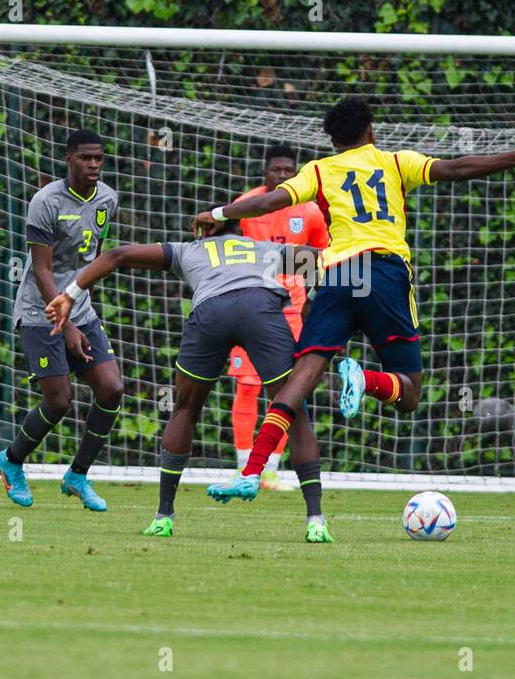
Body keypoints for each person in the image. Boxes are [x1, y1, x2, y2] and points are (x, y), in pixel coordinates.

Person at [192, 95, 515, 503]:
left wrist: (220, 213)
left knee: (301, 378)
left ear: (332, 141)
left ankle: (251, 472)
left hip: (339, 273)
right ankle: (365, 379)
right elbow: (457, 168)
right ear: (371, 130)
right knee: (410, 393)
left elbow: (271, 199)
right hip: (383, 274)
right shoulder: (397, 162)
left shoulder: (318, 171)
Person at [45, 225, 332, 542]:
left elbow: (117, 255)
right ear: (239, 231)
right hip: (260, 311)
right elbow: (328, 260)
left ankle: (163, 516)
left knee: (184, 409)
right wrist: (312, 303)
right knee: (293, 410)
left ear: (201, 233)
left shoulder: (186, 250)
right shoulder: (266, 249)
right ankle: (315, 521)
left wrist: (69, 295)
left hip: (210, 314)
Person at [0, 129, 124, 512]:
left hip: (80, 310)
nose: (94, 165)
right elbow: (42, 269)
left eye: (99, 158)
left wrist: (81, 311)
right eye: (86, 158)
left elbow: (94, 261)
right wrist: (64, 323)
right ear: (69, 159)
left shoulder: (107, 199)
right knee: (59, 402)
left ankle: (77, 476)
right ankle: (11, 461)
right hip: (40, 313)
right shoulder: (45, 202)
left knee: (112, 389)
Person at [226, 145, 328, 489]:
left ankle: (269, 470)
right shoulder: (246, 205)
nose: (283, 176)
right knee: (247, 386)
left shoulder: (310, 211)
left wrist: (316, 300)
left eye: (289, 171)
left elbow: (321, 258)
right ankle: (244, 468)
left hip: (293, 312)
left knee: (286, 390)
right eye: (277, 170)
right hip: (251, 306)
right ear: (265, 172)